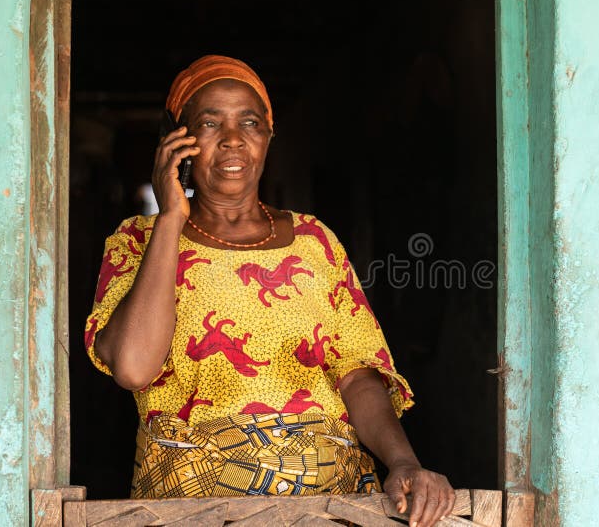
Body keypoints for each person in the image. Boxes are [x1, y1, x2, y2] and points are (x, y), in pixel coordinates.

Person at [84, 55, 454, 526]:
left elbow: (357, 375)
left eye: (250, 122)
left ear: (267, 138)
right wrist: (171, 218)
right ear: (178, 142)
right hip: (191, 509)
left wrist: (404, 462)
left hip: (330, 506)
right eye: (210, 123)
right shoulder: (138, 241)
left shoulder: (314, 241)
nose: (233, 138)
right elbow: (135, 368)